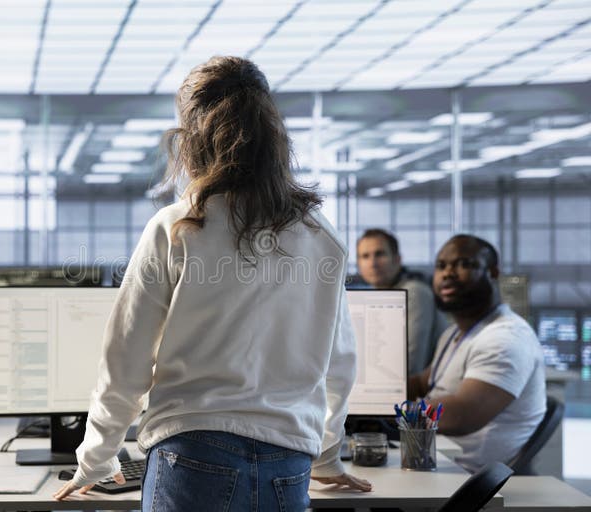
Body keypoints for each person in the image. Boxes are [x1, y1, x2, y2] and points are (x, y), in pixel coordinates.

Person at [55, 56, 371, 509]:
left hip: (192, 455)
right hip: (288, 461)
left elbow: (126, 361)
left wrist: (96, 460)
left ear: (190, 140)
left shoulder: (178, 227)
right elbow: (339, 364)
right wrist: (326, 455)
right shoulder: (320, 234)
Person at [409, 234, 546, 472]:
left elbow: (462, 414)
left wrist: (391, 412)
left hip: (466, 475)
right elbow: (423, 383)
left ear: (492, 273)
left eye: (463, 264)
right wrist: (369, 394)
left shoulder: (505, 337)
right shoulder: (455, 333)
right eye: (441, 265)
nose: (448, 273)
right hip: (434, 461)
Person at [356, 229, 447, 374]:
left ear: (397, 259)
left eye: (380, 254)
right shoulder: (378, 296)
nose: (373, 263)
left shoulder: (414, 292)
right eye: (365, 256)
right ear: (359, 264)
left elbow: (410, 365)